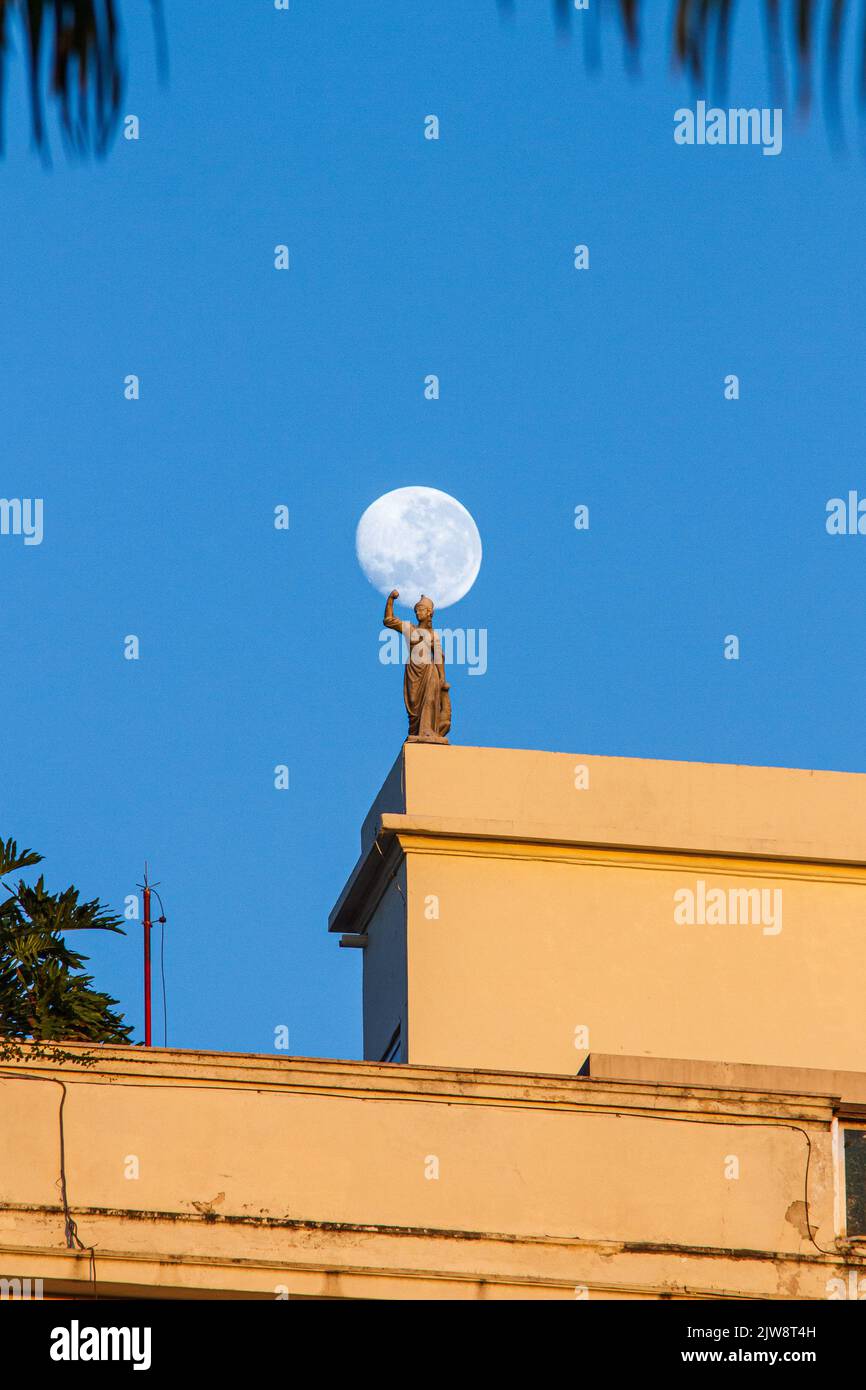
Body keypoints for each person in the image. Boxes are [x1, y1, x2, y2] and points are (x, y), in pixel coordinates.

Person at [383, 589, 451, 743]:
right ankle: (417, 731)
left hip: (429, 671)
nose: (417, 613)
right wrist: (390, 600)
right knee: (414, 708)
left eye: (421, 610)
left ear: (429, 613)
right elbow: (388, 620)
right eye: (416, 610)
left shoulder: (434, 635)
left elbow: (439, 657)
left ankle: (428, 732)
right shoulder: (410, 629)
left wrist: (442, 679)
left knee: (430, 700)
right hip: (413, 672)